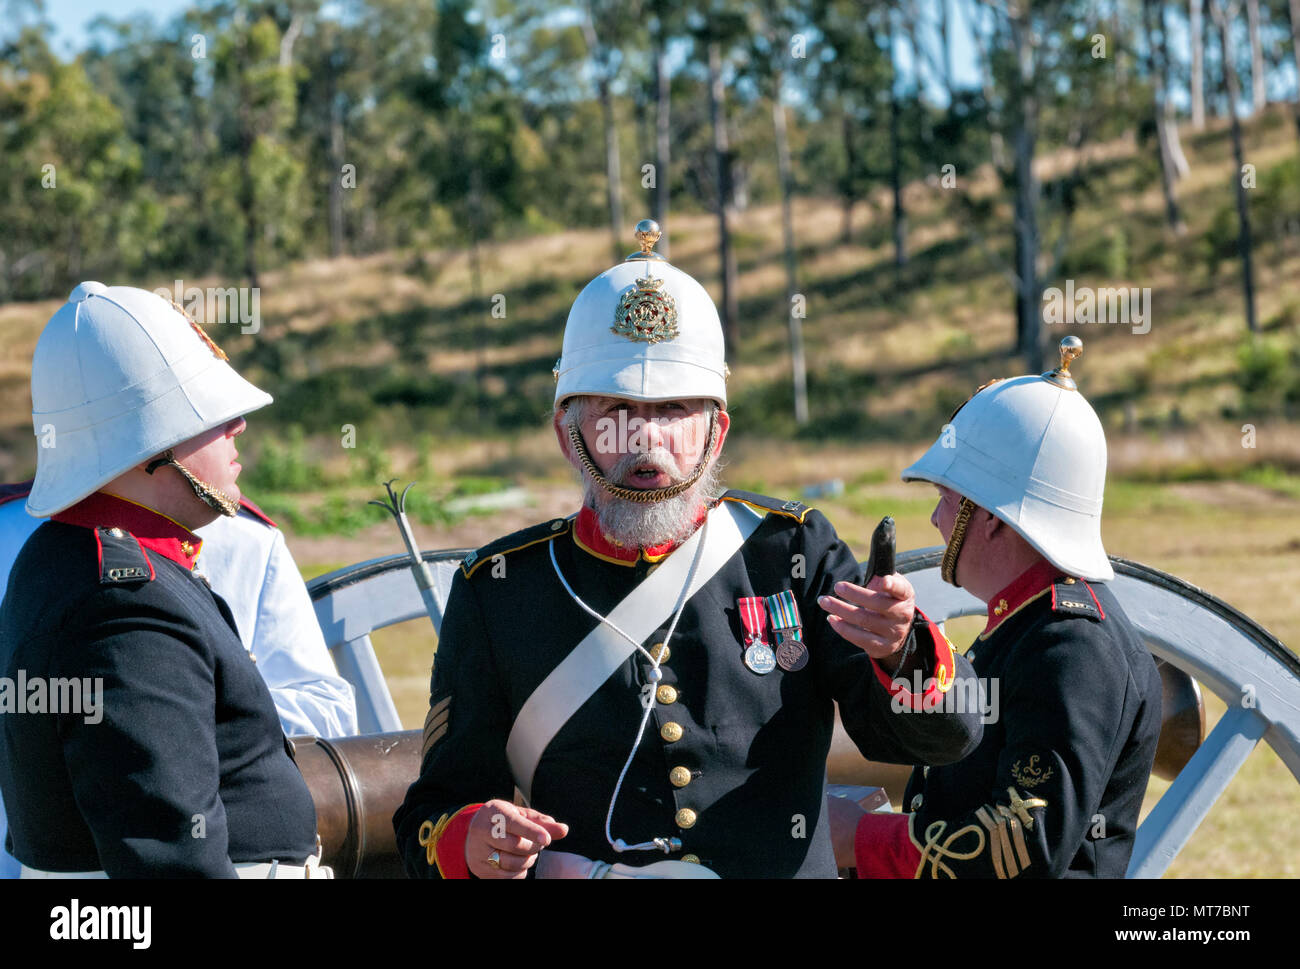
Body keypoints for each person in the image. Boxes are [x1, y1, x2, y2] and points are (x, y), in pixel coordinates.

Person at [393, 221, 983, 879]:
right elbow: (430, 818)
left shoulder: (791, 549)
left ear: (716, 430)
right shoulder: (498, 590)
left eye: (674, 410)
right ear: (569, 434)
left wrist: (900, 651)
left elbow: (941, 738)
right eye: (618, 410)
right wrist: (473, 838)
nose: (648, 438)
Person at [0, 281, 325, 877]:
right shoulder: (123, 604)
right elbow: (171, 859)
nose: (239, 428)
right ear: (152, 442)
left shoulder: (75, 558)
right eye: (211, 414)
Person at [848, 337, 1162, 878]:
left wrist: (858, 837)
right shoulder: (1030, 624)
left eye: (948, 499)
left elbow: (1021, 848)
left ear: (989, 516)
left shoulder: (1073, 649)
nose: (936, 521)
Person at [0, 481, 358, 878]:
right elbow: (170, 850)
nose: (236, 427)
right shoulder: (123, 587)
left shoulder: (245, 538)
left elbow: (321, 706)